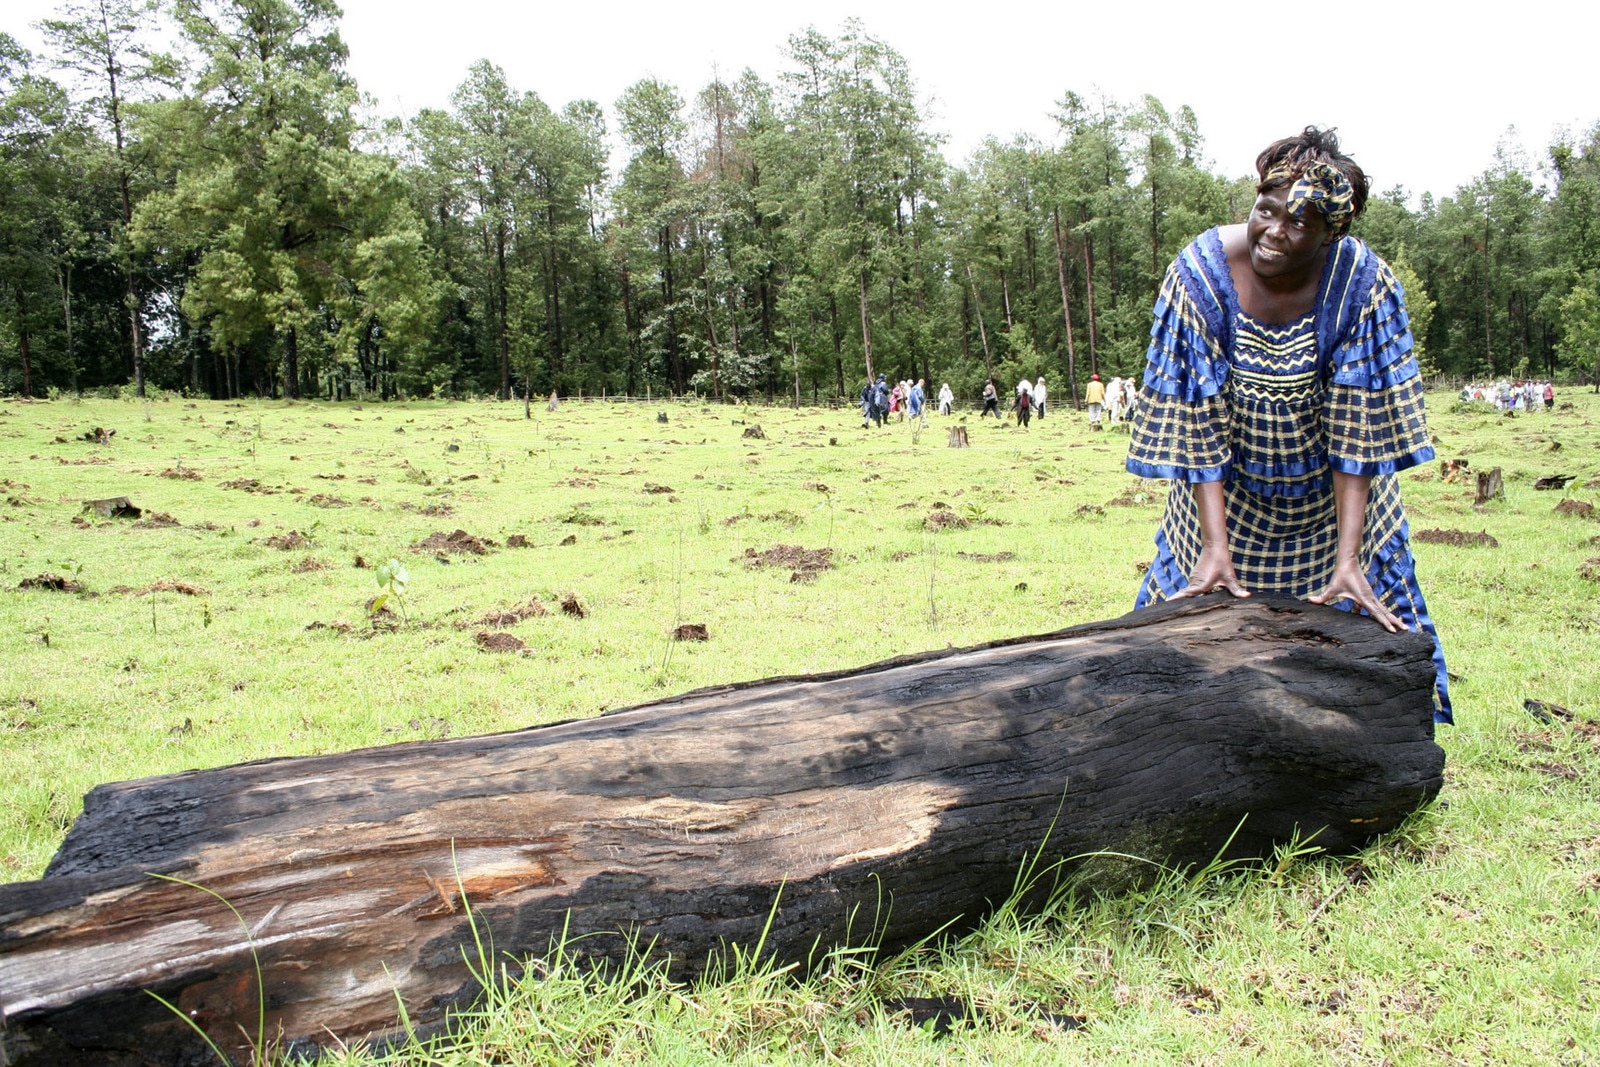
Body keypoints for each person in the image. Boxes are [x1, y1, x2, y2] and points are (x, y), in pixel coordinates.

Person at [1125, 127, 1451, 723]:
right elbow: (1196, 425)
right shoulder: (1200, 276)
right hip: (1222, 503)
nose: (1274, 231)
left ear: (1332, 234)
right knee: (1189, 671)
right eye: (1266, 210)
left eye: (1298, 223)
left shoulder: (1362, 287)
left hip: (1335, 513)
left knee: (1350, 681)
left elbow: (1360, 429)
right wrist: (1215, 550)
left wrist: (1348, 558)